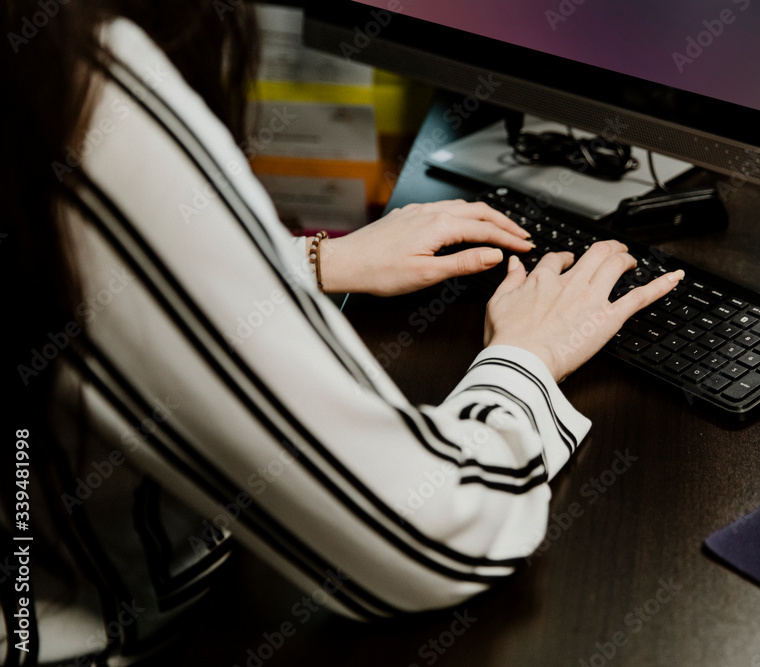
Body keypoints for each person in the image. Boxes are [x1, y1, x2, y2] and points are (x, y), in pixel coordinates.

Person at [0, 2, 683, 664]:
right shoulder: (70, 85)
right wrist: (525, 358)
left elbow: (68, 283)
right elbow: (423, 532)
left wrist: (298, 262)